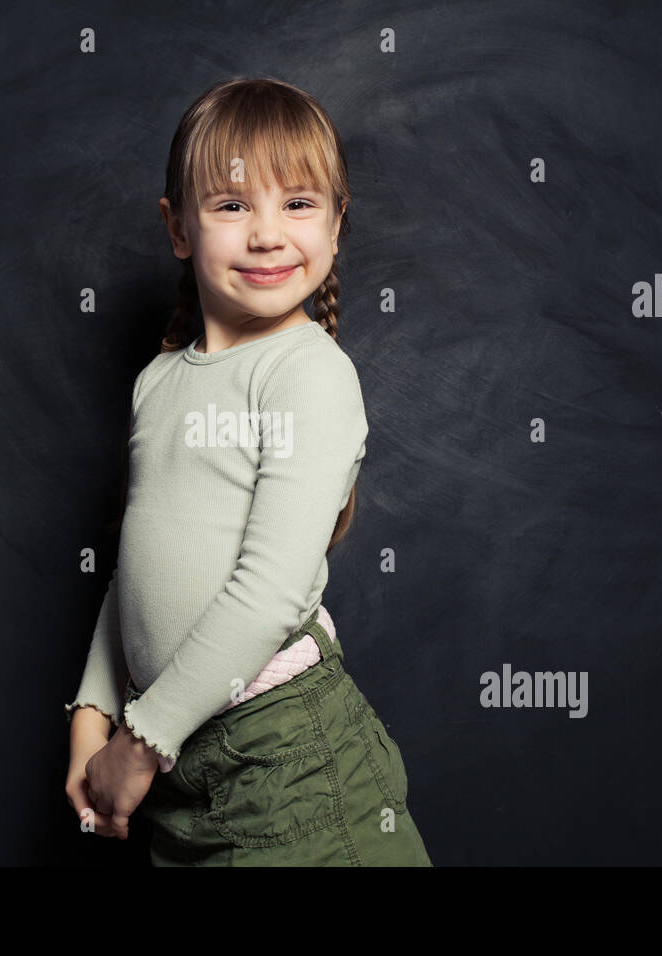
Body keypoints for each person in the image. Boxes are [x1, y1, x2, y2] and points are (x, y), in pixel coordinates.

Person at [62, 76, 433, 866]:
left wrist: (139, 741)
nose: (267, 233)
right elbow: (132, 568)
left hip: (285, 756)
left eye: (298, 204)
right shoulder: (159, 381)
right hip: (179, 764)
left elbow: (266, 592)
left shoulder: (310, 374)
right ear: (178, 228)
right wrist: (93, 717)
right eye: (232, 206)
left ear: (337, 224)